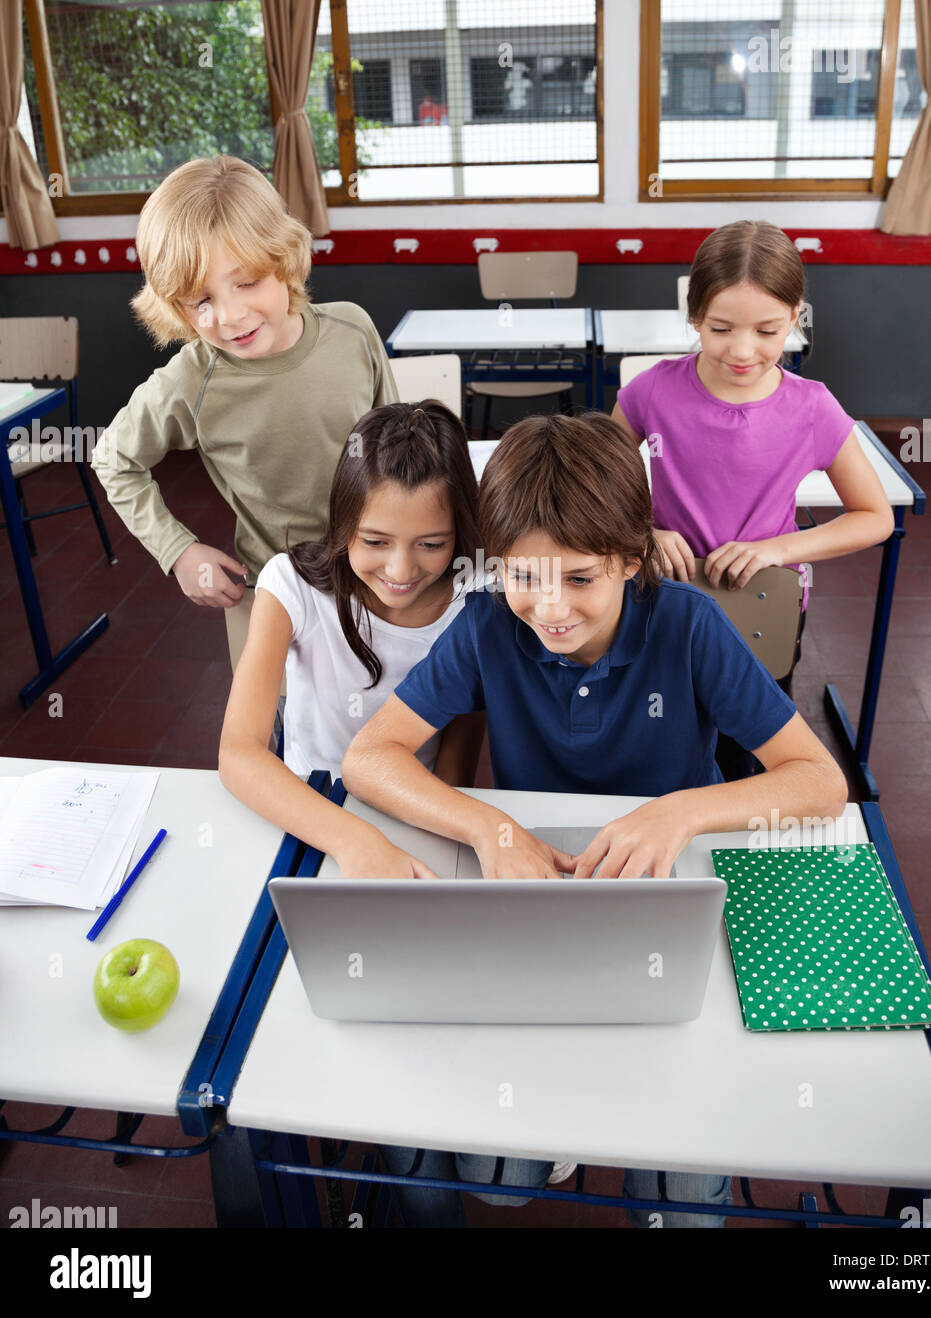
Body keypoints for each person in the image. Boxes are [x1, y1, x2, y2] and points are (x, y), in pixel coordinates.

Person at [341, 412, 848, 1227]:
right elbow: (369, 758)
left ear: (631, 560)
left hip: (673, 897)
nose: (550, 609)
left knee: (681, 1210)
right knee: (496, 1180)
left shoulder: (687, 624)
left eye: (580, 579)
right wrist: (489, 828)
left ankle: (658, 1127)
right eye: (524, 577)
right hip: (543, 897)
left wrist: (681, 812)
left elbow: (822, 784)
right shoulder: (486, 624)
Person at [91, 155, 399, 670]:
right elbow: (114, 460)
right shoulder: (190, 380)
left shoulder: (353, 330)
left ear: (284, 260)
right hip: (280, 599)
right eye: (199, 300)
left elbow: (401, 447)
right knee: (285, 737)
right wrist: (179, 551)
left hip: (385, 581)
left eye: (248, 281)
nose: (229, 315)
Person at [612, 218, 893, 683]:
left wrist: (776, 550)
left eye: (766, 332)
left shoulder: (813, 407)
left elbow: (875, 516)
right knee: (664, 732)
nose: (743, 351)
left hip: (764, 604)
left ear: (795, 317)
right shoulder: (649, 392)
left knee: (750, 743)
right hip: (666, 595)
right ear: (695, 315)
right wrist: (642, 534)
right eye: (721, 328)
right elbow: (595, 491)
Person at [219, 401, 485, 871]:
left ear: (459, 533)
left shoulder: (478, 601)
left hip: (418, 807)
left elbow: (457, 756)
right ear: (344, 523)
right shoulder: (290, 585)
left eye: (431, 544)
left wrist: (434, 839)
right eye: (375, 541)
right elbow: (239, 753)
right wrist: (354, 841)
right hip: (306, 805)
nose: (401, 570)